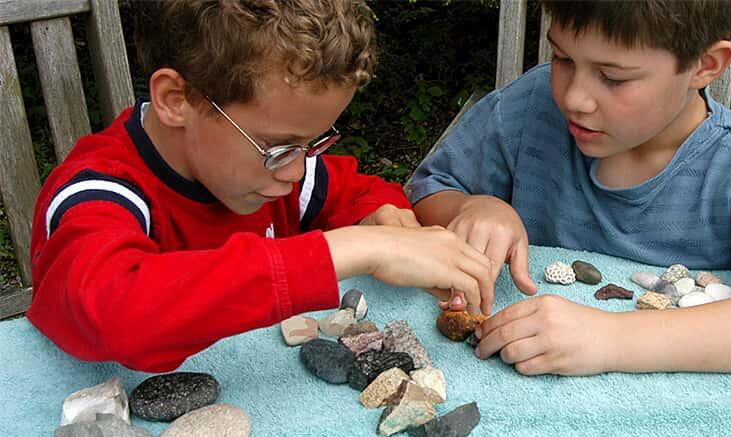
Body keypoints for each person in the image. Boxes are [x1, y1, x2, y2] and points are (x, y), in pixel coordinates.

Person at [27, 0, 492, 373]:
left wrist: (383, 221)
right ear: (176, 100)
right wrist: (349, 250)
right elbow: (115, 315)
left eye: (311, 144)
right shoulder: (99, 191)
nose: (294, 172)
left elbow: (361, 192)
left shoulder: (271, 173)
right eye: (277, 146)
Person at [409, 0, 731, 375]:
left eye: (613, 77)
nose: (574, 98)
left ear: (705, 65)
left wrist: (612, 338)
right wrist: (474, 207)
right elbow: (432, 188)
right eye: (562, 58)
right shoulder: (529, 108)